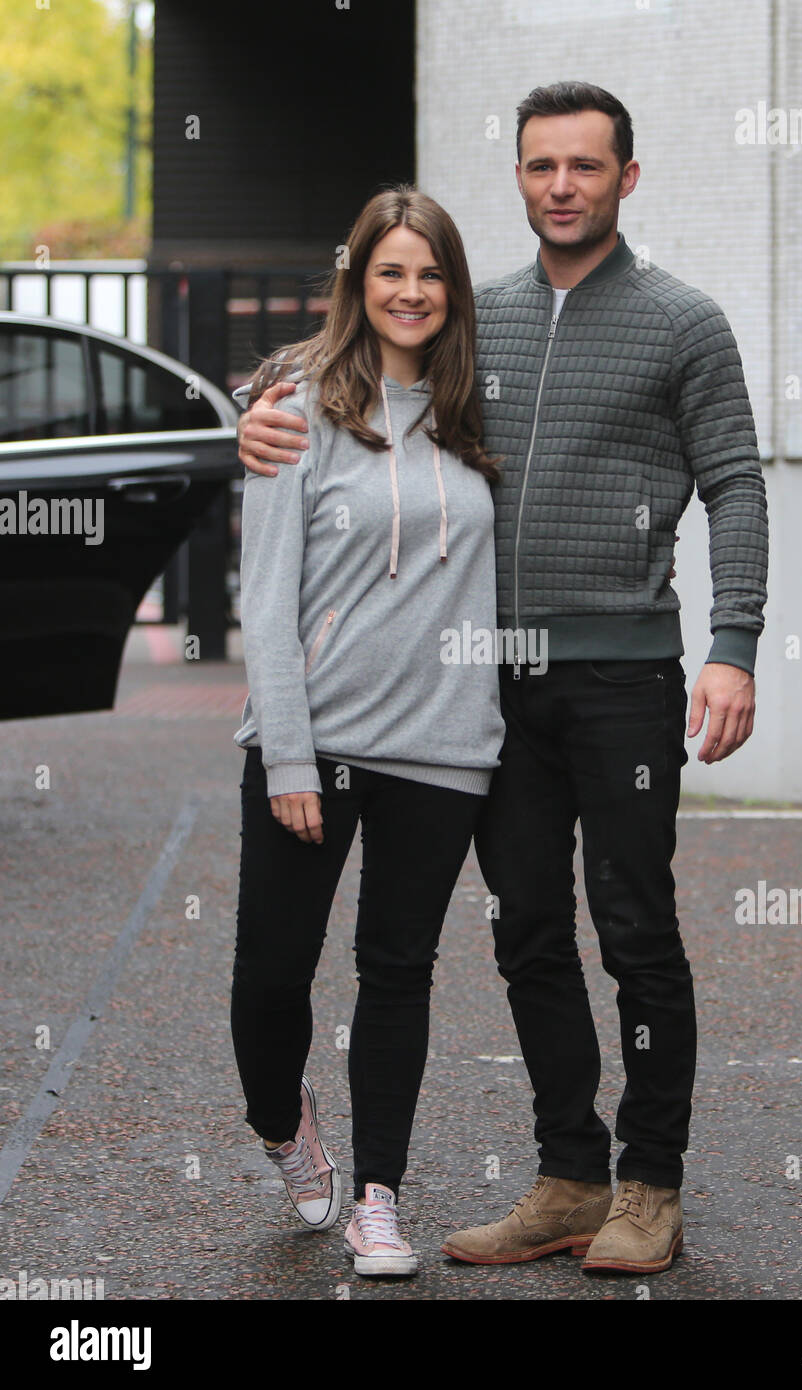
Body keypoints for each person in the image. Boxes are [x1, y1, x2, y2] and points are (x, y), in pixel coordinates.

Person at [238, 82, 769, 1276]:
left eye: (586, 166)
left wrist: (734, 644)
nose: (562, 185)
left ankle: (650, 1181)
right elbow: (346, 380)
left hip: (624, 675)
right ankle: (569, 1172)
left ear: (626, 178)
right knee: (526, 929)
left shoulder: (685, 323)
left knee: (635, 928)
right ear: (520, 179)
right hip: (493, 690)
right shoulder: (483, 325)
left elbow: (736, 481)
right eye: (541, 166)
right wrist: (251, 416)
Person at [230, 185, 504, 1278]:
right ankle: (278, 1122)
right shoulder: (296, 403)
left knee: (398, 970)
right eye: (390, 270)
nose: (410, 291)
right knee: (268, 978)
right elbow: (265, 596)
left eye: (430, 272)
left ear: (452, 290)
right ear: (358, 282)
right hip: (317, 747)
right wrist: (290, 751)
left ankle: (378, 1198)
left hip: (442, 748)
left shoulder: (476, 406)